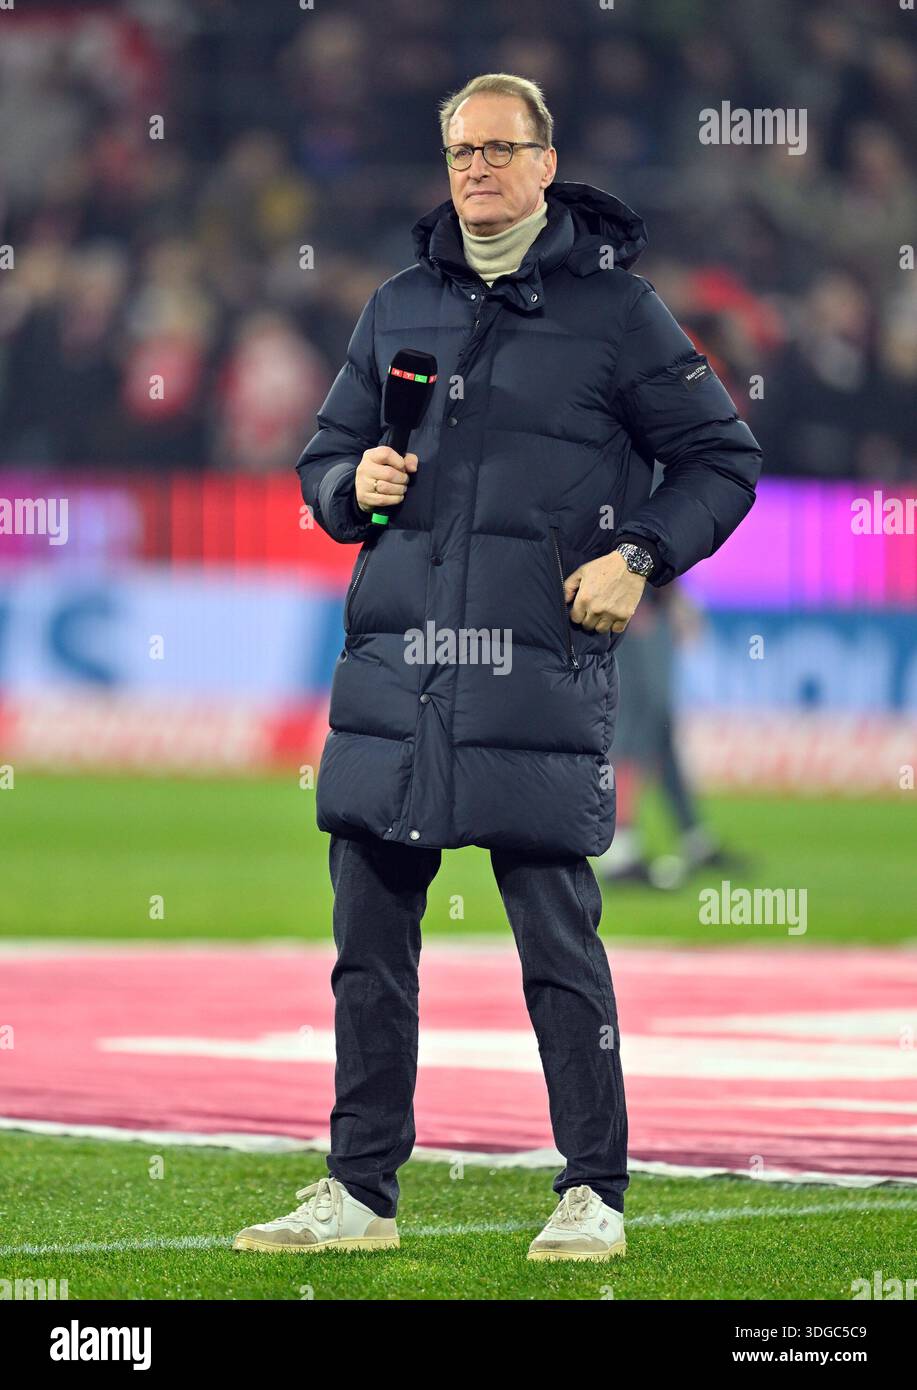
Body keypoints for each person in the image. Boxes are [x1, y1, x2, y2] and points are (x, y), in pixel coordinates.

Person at [233, 73, 762, 1262]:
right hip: (396, 675)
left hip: (535, 674)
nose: (473, 168)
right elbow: (325, 452)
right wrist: (344, 486)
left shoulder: (618, 312)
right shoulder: (396, 305)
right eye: (458, 150)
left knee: (557, 949)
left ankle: (593, 1192)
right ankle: (359, 1194)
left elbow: (721, 462)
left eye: (496, 149)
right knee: (367, 955)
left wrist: (639, 553)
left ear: (542, 159)